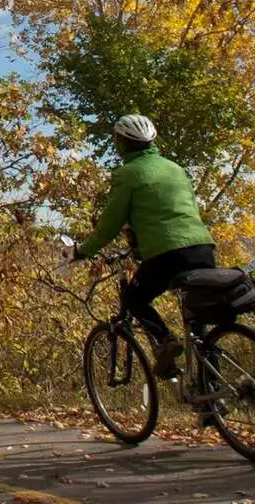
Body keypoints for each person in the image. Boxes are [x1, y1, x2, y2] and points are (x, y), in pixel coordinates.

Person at [71, 113, 215, 378]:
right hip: (203, 247)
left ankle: (165, 340)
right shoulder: (175, 168)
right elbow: (191, 210)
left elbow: (109, 225)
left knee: (134, 298)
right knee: (198, 320)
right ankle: (211, 398)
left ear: (121, 143)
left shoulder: (127, 174)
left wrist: (83, 250)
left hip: (166, 255)